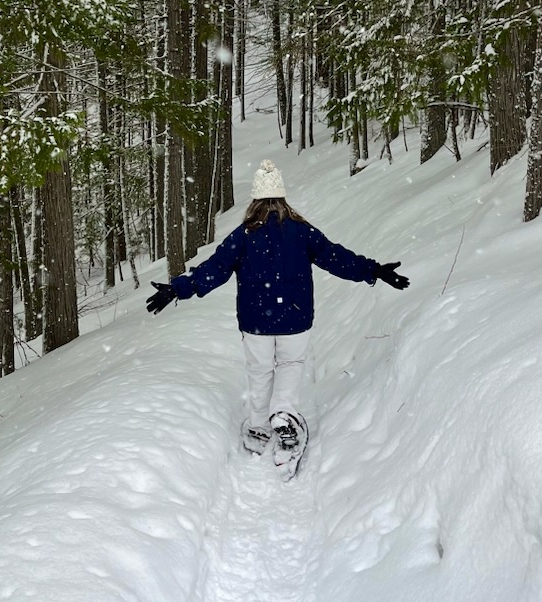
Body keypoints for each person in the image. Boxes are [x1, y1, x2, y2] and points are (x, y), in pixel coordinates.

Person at [146, 158, 409, 473]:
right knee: (290, 364)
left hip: (256, 321)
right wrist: (374, 270)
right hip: (295, 319)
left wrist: (178, 288)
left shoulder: (243, 235)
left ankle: (258, 427)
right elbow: (336, 257)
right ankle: (283, 415)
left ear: (255, 200)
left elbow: (213, 270)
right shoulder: (302, 232)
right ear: (282, 197)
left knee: (260, 370)